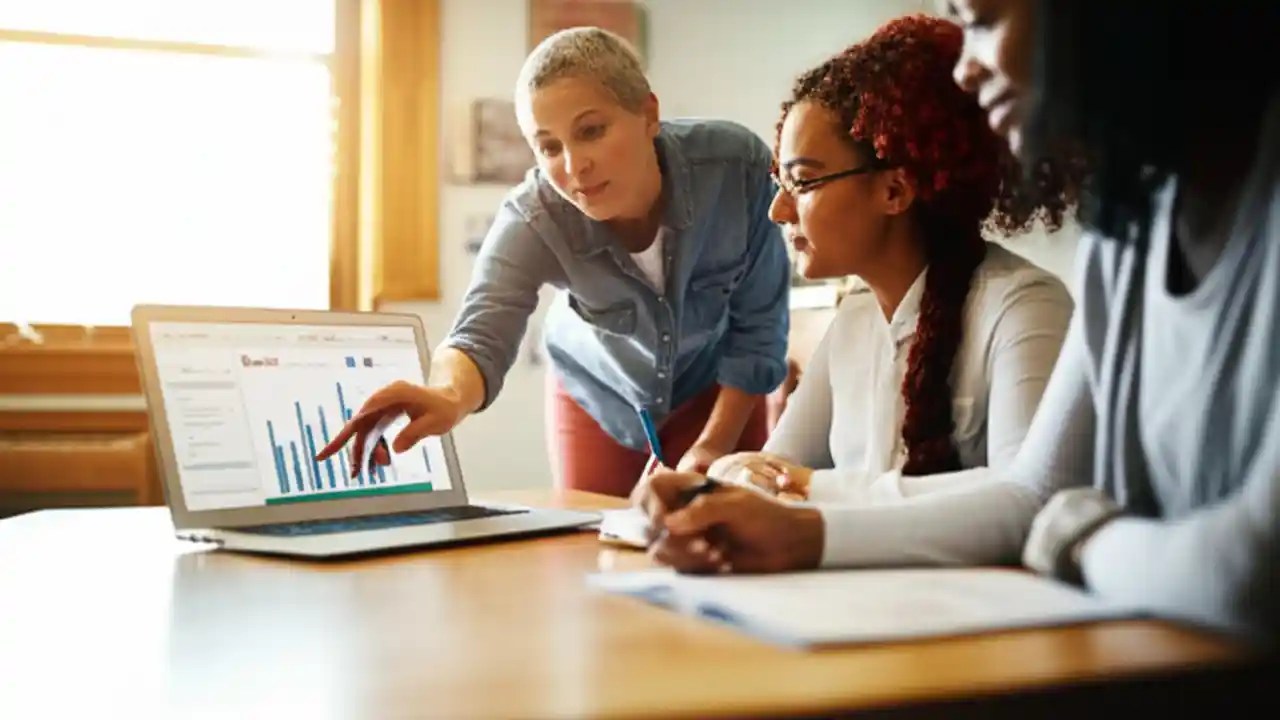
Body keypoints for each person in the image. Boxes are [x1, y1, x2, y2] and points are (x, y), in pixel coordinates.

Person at [639, 0, 1279, 641]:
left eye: (984, 19)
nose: (966, 71)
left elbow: (1249, 574)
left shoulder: (1027, 300)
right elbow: (1036, 499)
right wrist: (783, 521)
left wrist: (1078, 536)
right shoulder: (1124, 240)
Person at [317, 27, 790, 497]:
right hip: (596, 395)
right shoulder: (534, 216)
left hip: (717, 389)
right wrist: (447, 395)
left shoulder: (737, 169)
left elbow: (759, 329)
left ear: (649, 114)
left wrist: (710, 448)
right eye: (548, 146)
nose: (573, 165)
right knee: (590, 543)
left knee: (726, 535)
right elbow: (480, 333)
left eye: (591, 131)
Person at [696, 14, 1074, 512]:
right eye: (780, 184)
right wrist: (727, 468)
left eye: (803, 183)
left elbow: (1026, 500)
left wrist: (813, 486)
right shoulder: (854, 320)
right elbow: (770, 472)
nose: (778, 210)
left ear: (894, 190)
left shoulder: (1023, 308)